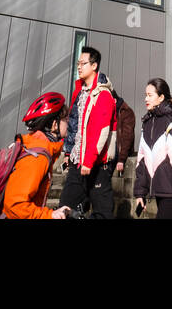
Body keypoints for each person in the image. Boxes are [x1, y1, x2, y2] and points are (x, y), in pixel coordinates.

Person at [59, 46, 118, 219]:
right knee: (63, 207)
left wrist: (89, 161)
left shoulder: (103, 94)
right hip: (78, 162)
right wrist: (68, 152)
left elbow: (102, 131)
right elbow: (73, 125)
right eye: (78, 63)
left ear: (94, 66)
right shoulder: (79, 91)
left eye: (83, 63)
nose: (79, 67)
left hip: (97, 164)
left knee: (103, 212)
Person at [2, 91, 71, 219]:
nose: (68, 123)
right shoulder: (37, 156)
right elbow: (15, 206)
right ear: (54, 125)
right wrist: (49, 215)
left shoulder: (37, 147)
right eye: (66, 119)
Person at [133, 77, 172, 219]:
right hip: (159, 191)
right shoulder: (147, 123)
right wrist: (140, 193)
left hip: (171, 192)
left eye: (150, 95)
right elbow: (141, 160)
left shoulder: (171, 123)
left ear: (161, 97)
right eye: (145, 95)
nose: (145, 98)